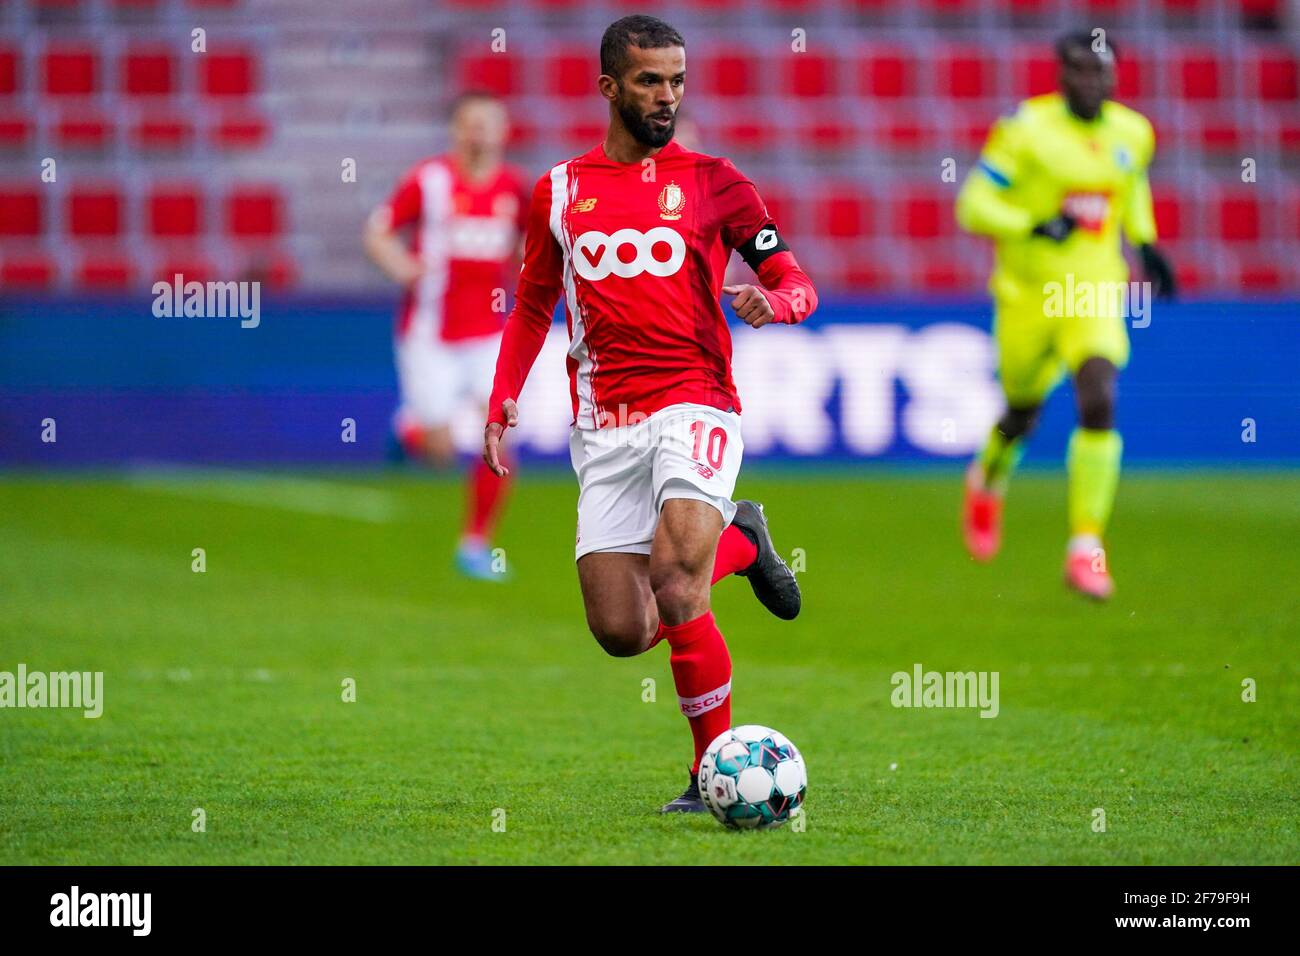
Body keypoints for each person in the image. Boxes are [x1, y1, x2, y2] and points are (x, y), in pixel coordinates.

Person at [481, 15, 818, 810]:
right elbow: (532, 305)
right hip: (604, 423)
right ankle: (743, 539)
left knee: (673, 580)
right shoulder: (560, 191)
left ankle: (709, 776)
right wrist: (502, 398)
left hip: (695, 401)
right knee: (622, 629)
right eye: (648, 81)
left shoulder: (716, 180)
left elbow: (795, 276)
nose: (666, 96)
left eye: (676, 80)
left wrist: (779, 301)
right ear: (609, 87)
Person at [956, 31, 1176, 600]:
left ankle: (1086, 549)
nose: (1091, 82)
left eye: (1101, 72)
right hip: (1027, 294)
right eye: (1079, 71)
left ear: (1115, 77)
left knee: (1099, 396)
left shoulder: (1133, 133)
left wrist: (1147, 245)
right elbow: (974, 204)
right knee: (1022, 413)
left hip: (1094, 290)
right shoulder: (1025, 130)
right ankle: (988, 478)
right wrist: (1029, 224)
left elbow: (1132, 190)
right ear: (1061, 75)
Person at [363, 92, 528, 581]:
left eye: (487, 124)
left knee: (499, 436)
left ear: (503, 132)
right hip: (429, 332)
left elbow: (530, 242)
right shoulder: (428, 180)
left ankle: (475, 544)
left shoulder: (515, 189)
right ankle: (407, 430)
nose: (478, 133)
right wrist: (402, 266)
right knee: (437, 452)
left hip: (488, 333)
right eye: (469, 124)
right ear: (456, 130)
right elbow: (378, 232)